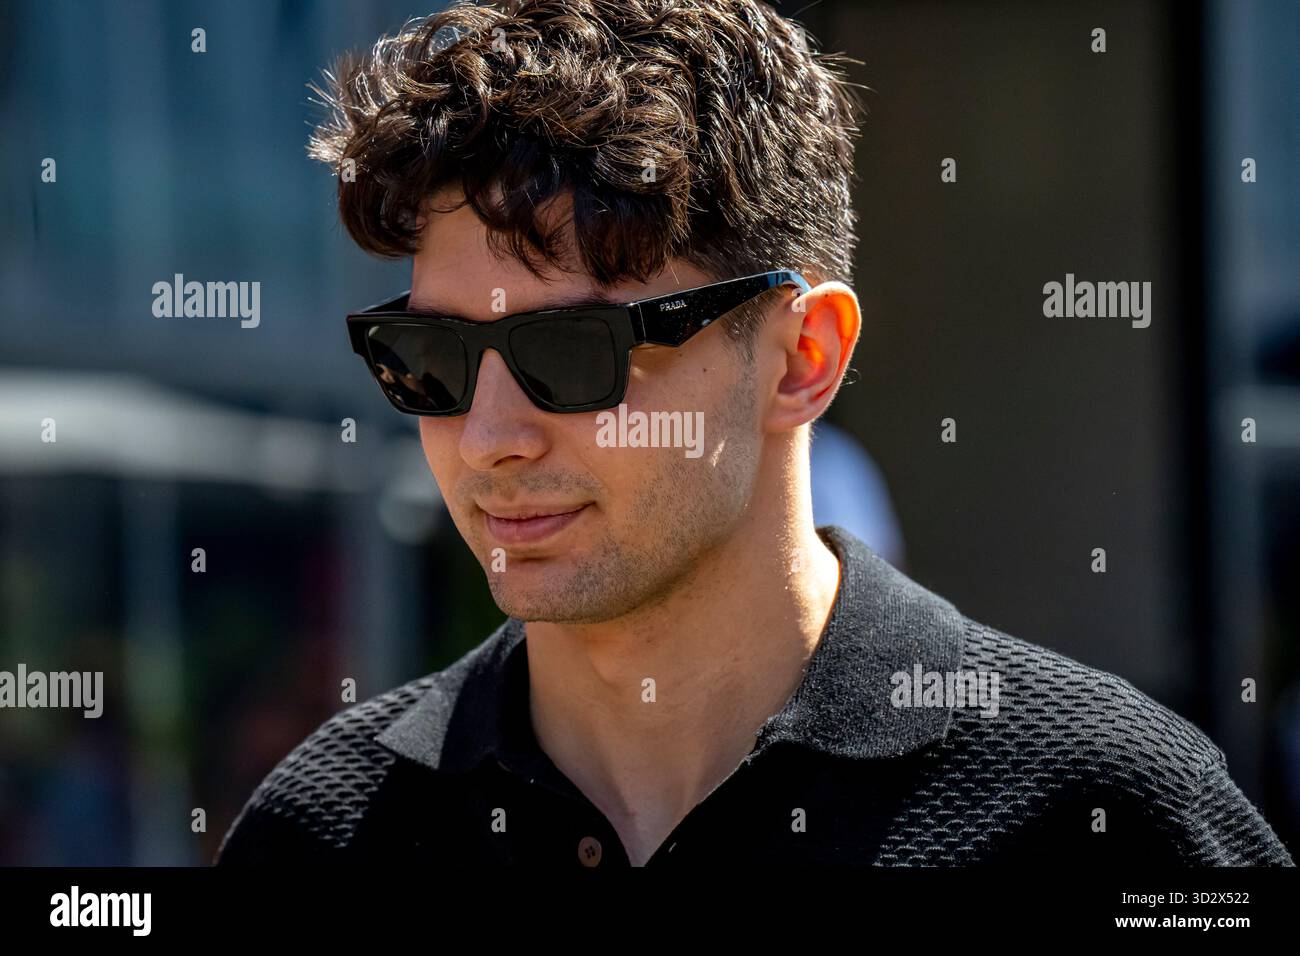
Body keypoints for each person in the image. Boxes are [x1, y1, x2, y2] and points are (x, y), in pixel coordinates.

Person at [215, 0, 1292, 866]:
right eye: (433, 362)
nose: (490, 434)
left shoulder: (1103, 814)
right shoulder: (325, 831)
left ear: (801, 358)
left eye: (571, 354)